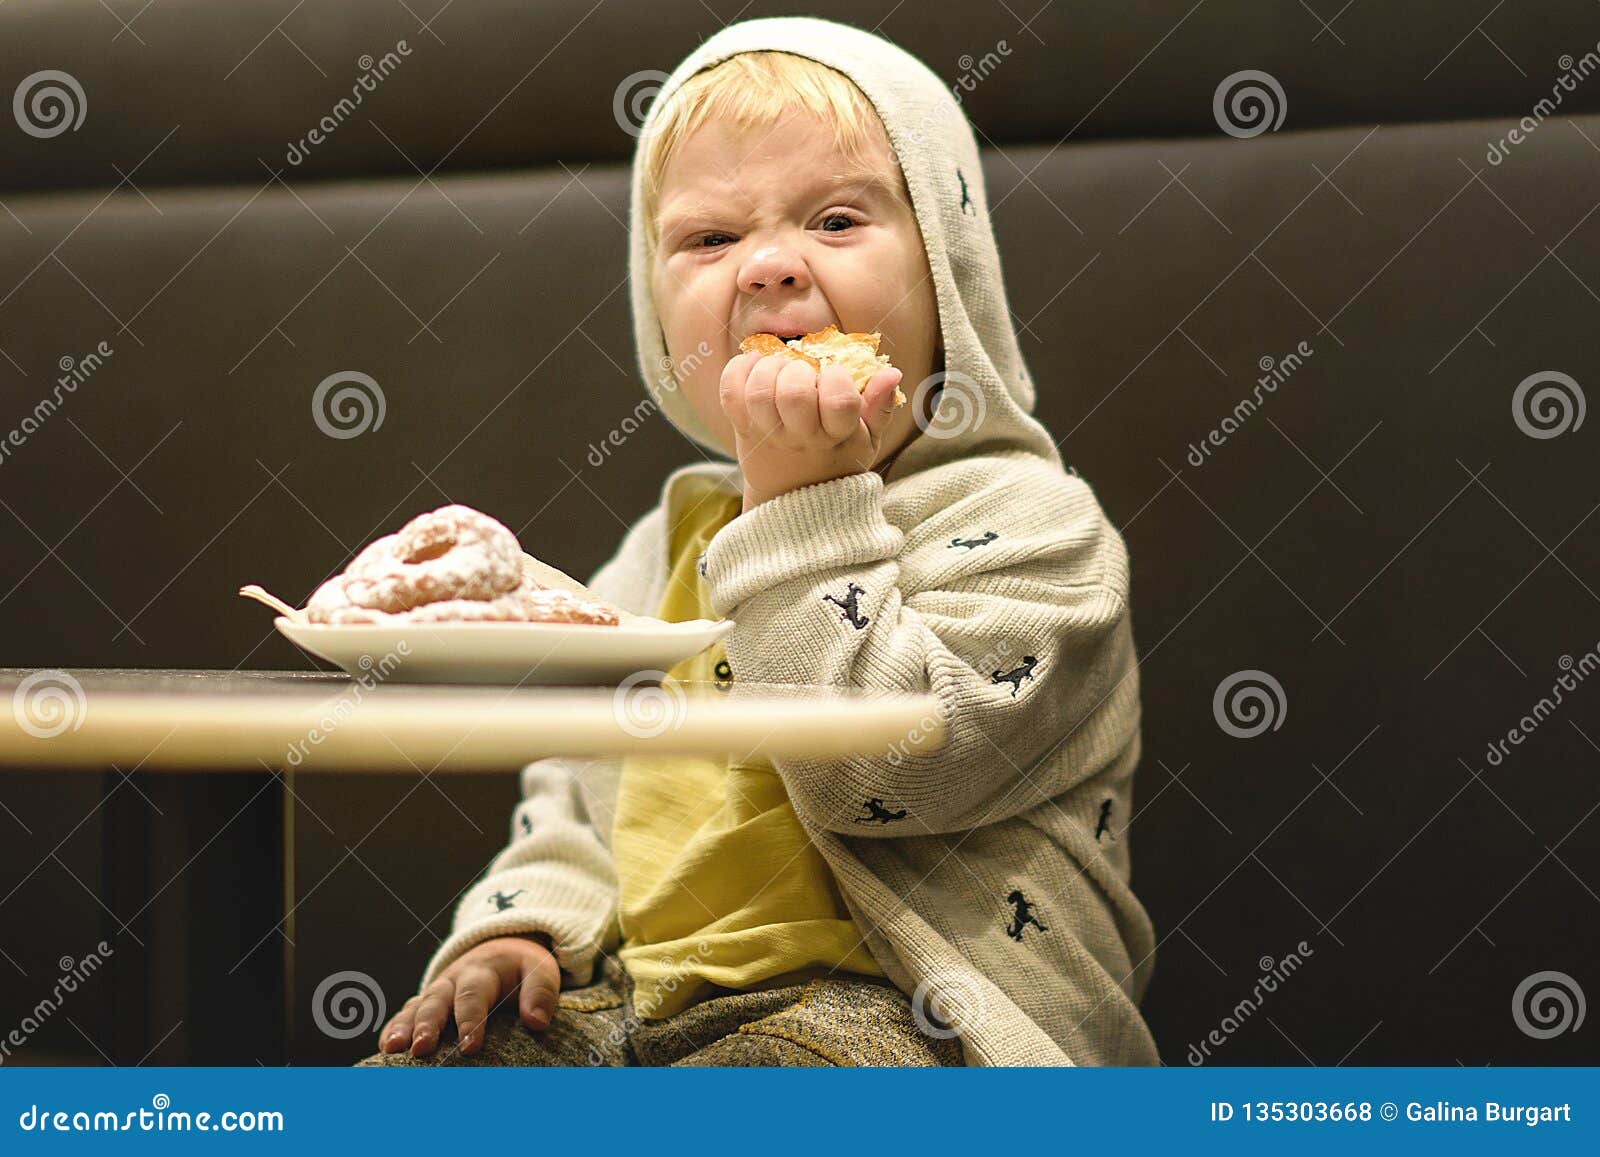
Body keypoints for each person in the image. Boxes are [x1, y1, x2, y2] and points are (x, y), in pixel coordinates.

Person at [359, 14, 1158, 1068]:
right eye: (710, 239)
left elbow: (876, 775)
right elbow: (579, 773)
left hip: (908, 1013)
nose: (769, 269)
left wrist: (800, 504)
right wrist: (523, 922)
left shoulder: (1036, 528)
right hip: (634, 997)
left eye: (834, 221)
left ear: (949, 275)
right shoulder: (667, 540)